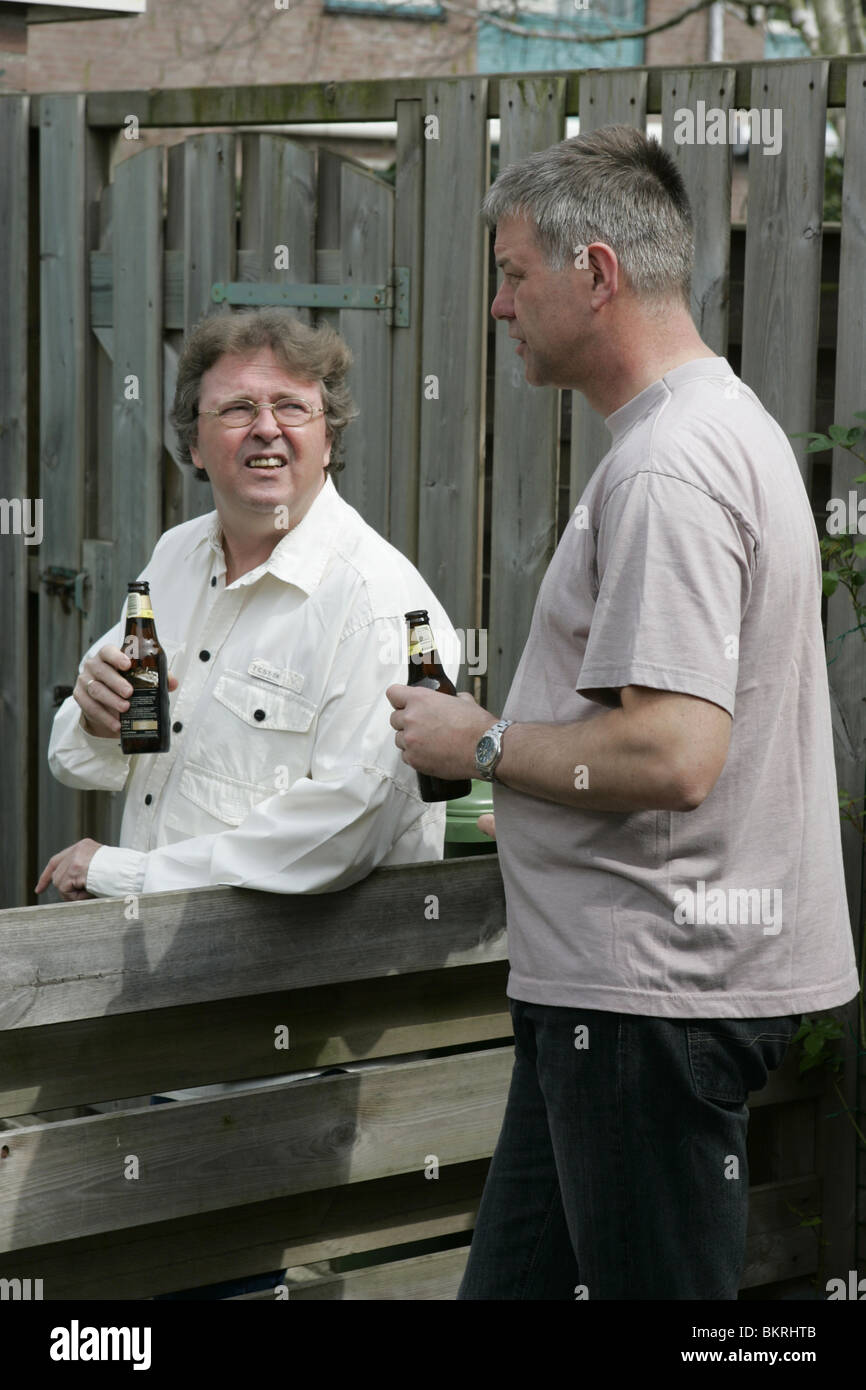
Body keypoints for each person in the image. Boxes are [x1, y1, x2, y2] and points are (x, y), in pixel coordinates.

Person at [386, 125, 859, 1300]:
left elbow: (671, 751)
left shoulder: (669, 466)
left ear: (593, 274)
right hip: (614, 991)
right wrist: (541, 797)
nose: (498, 306)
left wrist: (483, 744)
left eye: (510, 272)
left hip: (649, 992)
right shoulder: (713, 427)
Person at [40, 308, 459, 901]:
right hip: (159, 965)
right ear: (196, 444)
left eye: (291, 407)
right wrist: (94, 718)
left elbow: (340, 835)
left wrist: (124, 875)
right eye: (237, 408)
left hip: (299, 984)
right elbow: (73, 759)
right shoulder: (176, 556)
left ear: (328, 437)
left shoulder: (377, 601)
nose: (267, 428)